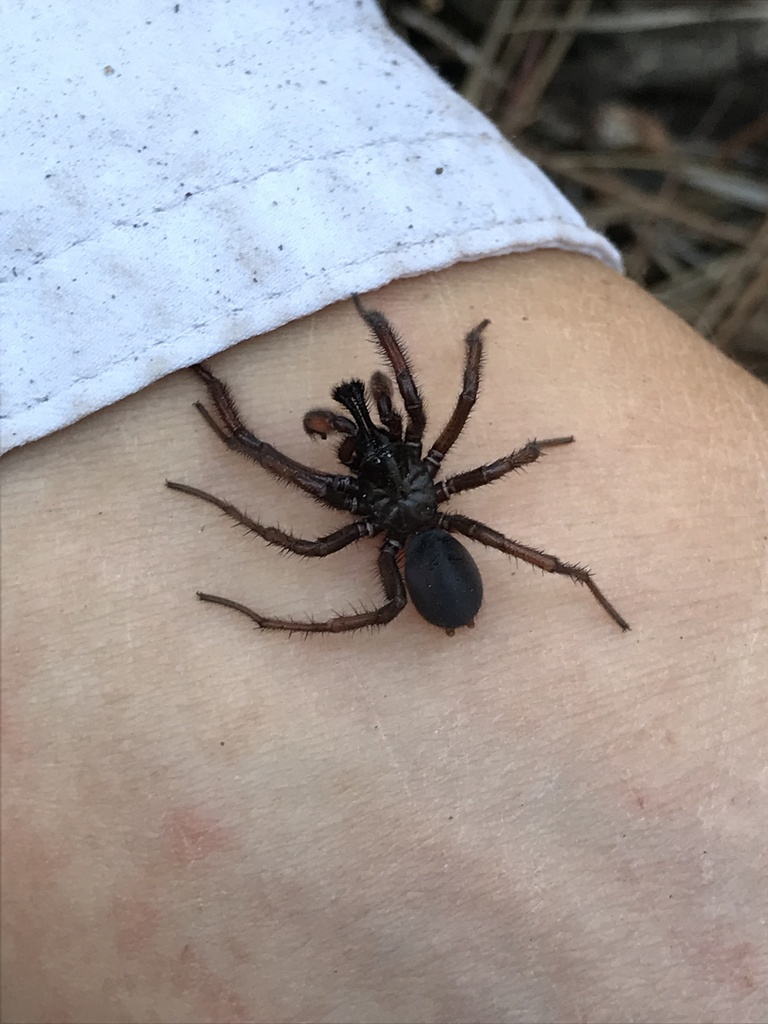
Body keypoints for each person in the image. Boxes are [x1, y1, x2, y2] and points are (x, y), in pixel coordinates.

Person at [3, 3, 766, 1023]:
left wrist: (385, 340)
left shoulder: (371, 509)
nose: (376, 427)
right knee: (297, 456)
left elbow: (334, 468)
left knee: (283, 474)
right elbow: (428, 411)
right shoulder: (422, 471)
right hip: (427, 523)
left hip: (427, 542)